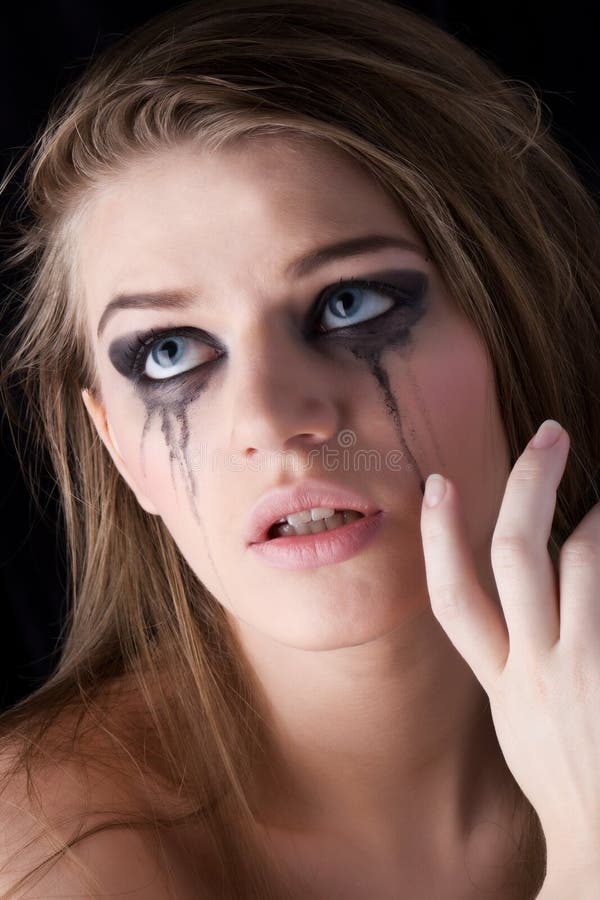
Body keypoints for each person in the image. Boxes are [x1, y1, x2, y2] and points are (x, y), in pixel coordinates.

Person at [1, 0, 599, 896]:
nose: (272, 420)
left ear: (511, 322)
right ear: (118, 446)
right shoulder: (41, 849)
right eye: (170, 352)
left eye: (348, 304)